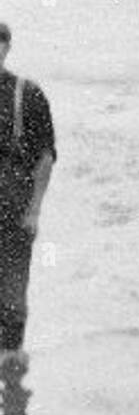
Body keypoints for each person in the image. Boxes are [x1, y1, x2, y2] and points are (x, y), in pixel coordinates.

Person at [0, 22, 57, 365]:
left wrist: (35, 209)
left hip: (13, 203)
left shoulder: (28, 94)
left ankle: (10, 364)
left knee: (12, 291)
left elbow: (46, 156)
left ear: (6, 48)